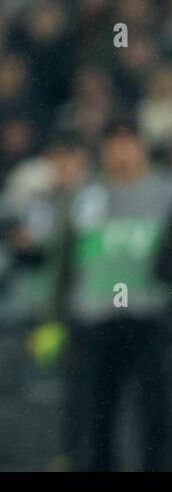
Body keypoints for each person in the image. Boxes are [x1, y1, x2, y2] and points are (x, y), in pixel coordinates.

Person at [46, 119, 172, 471]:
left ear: (142, 148)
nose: (122, 153)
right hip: (94, 320)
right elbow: (62, 261)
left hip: (151, 317)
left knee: (156, 419)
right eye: (114, 144)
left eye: (129, 143)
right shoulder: (84, 197)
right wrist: (54, 318)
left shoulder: (165, 194)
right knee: (95, 422)